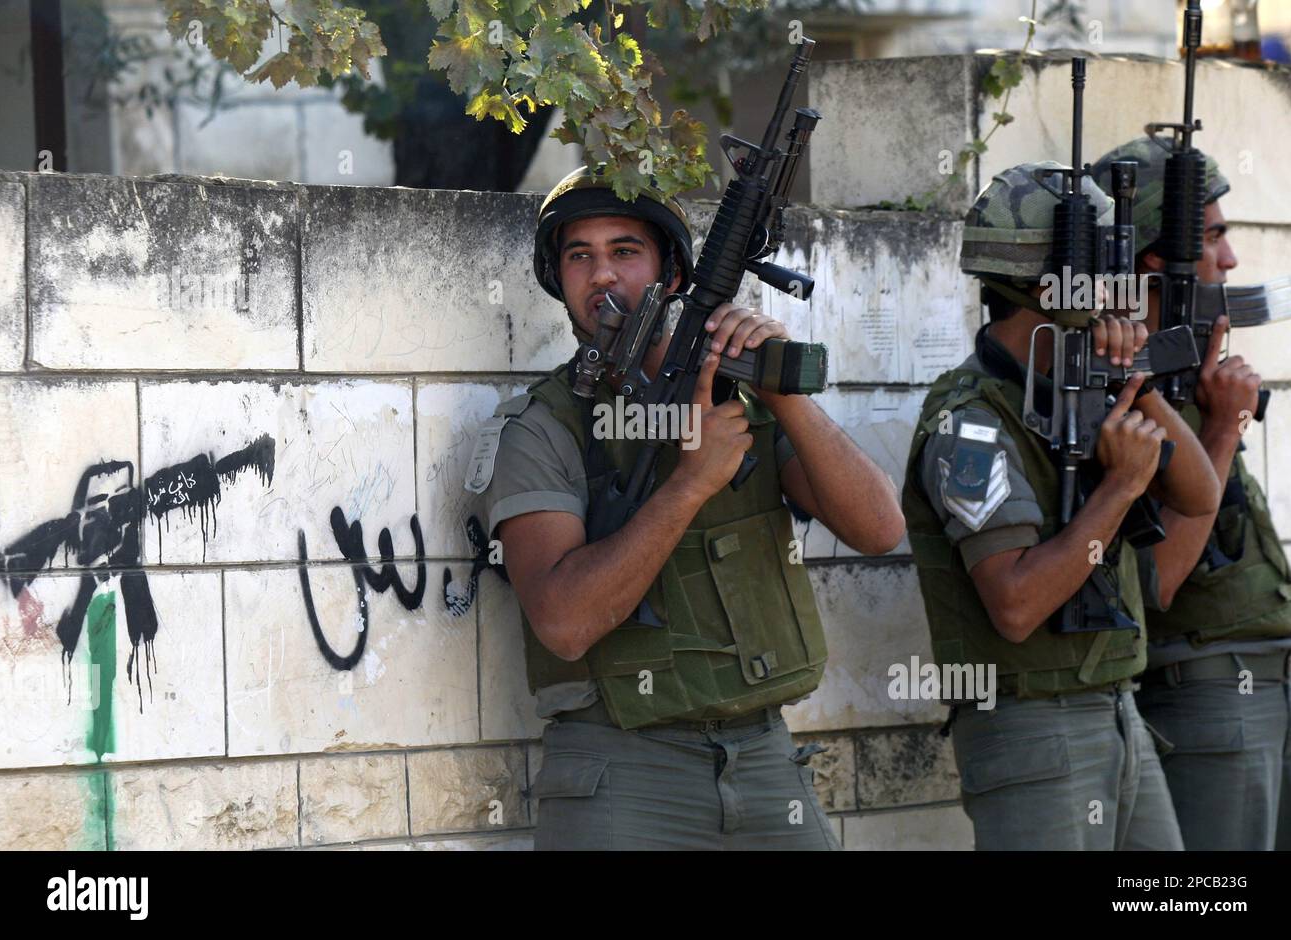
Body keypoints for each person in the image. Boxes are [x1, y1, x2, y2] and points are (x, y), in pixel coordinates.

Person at [467, 165, 905, 850]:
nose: (602, 276)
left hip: (763, 758)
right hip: (623, 769)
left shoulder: (742, 401)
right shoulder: (542, 428)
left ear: (673, 275)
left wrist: (781, 384)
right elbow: (566, 624)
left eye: (625, 251)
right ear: (559, 279)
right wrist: (690, 483)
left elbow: (879, 529)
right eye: (579, 256)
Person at [901, 161, 1220, 850]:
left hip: (1116, 710)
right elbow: (1015, 606)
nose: (1121, 286)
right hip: (1032, 728)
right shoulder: (971, 424)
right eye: (1104, 267)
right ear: (1044, 286)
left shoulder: (1083, 386)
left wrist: (1138, 382)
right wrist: (1121, 487)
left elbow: (1199, 495)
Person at [1093, 138, 1291, 850]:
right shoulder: (1120, 391)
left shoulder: (1189, 366)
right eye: (1212, 237)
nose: (1231, 259)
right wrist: (1220, 426)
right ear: (1157, 258)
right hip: (1205, 691)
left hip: (1272, 686)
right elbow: (1155, 588)